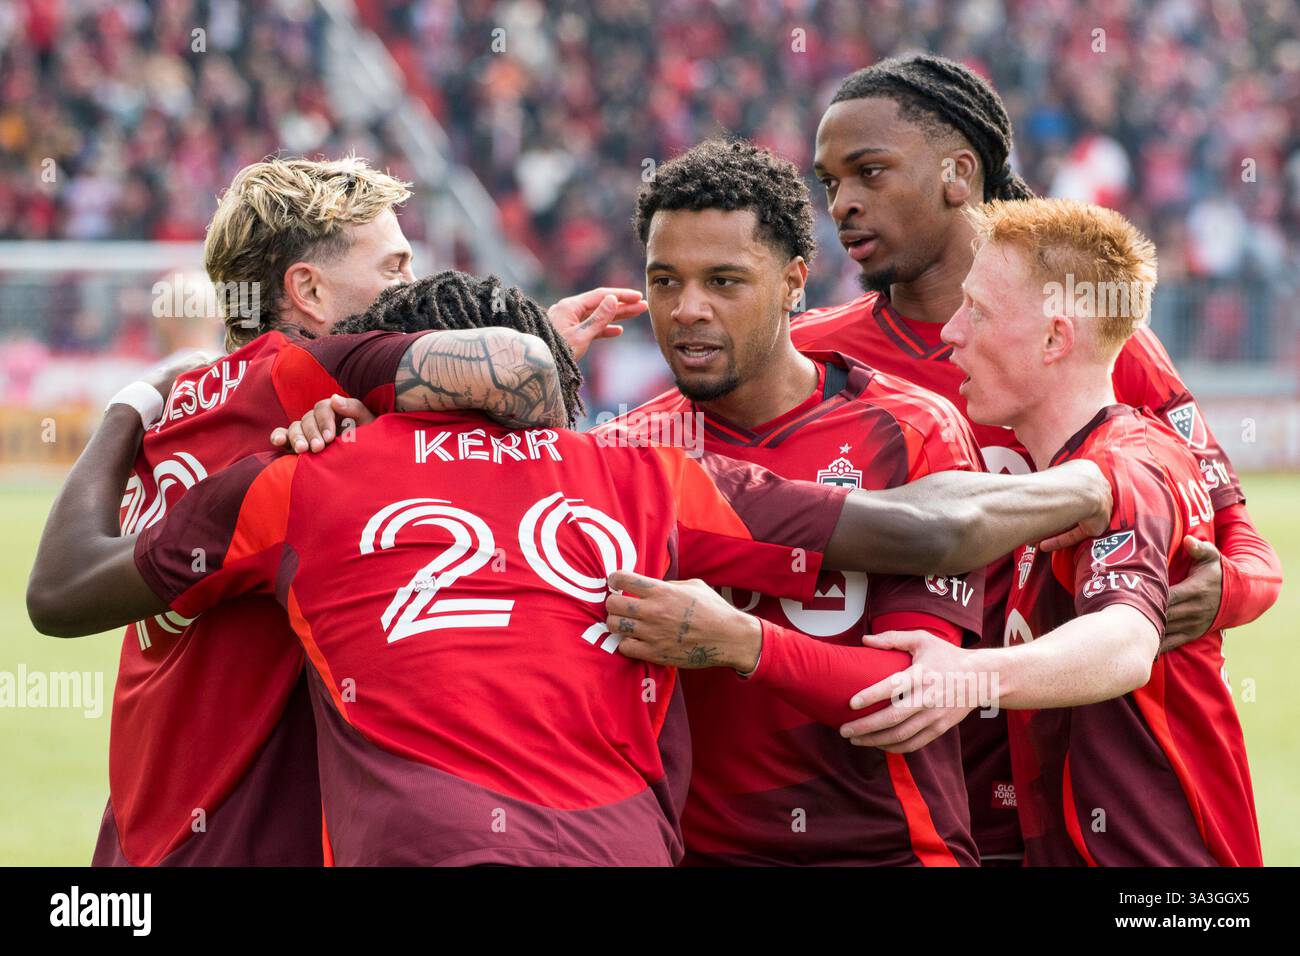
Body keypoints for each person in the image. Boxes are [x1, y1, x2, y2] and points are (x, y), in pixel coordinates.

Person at [29, 275, 1114, 866]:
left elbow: (63, 592)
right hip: (617, 845)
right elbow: (927, 532)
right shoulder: (645, 475)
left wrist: (131, 406)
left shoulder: (298, 481)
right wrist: (1106, 479)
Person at [27, 154, 643, 867]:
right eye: (393, 266)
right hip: (246, 839)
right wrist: (536, 345)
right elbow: (520, 371)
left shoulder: (189, 403)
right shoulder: (314, 372)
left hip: (138, 840)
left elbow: (60, 583)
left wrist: (131, 403)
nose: (411, 285)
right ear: (309, 291)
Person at [793, 54, 1281, 863]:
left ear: (959, 174)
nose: (841, 202)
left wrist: (1217, 591)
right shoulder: (809, 361)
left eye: (869, 172)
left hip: (1070, 806)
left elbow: (1242, 547)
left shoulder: (1099, 346)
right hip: (887, 804)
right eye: (829, 181)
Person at [596, 139, 987, 866]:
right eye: (664, 280)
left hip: (894, 853)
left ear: (793, 283)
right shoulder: (619, 454)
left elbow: (913, 696)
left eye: (724, 281)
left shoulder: (911, 430)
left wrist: (743, 644)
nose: (686, 310)